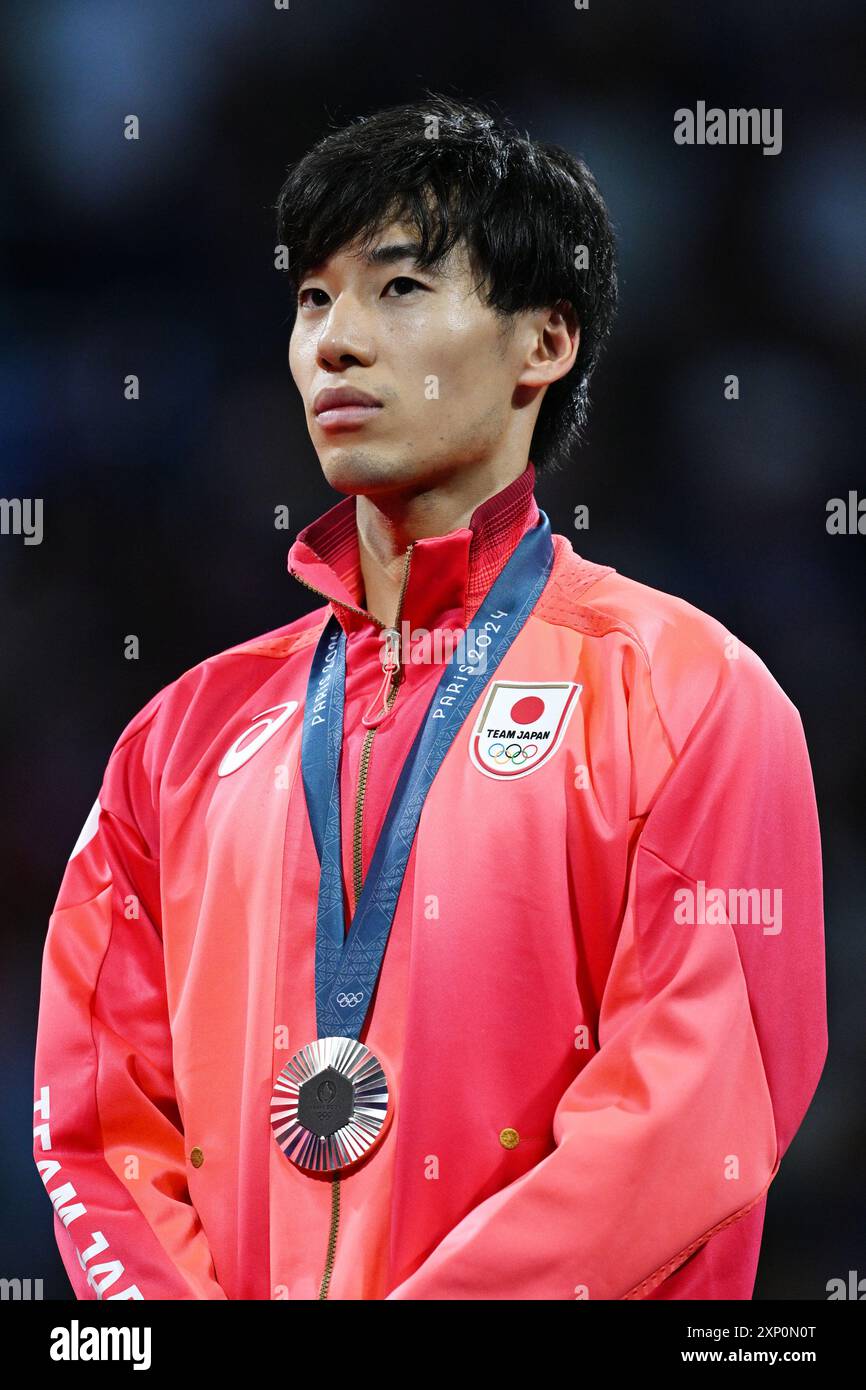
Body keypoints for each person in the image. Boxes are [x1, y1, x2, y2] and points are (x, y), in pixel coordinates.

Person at [32, 92, 826, 1301]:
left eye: (397, 289)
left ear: (543, 342)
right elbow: (98, 1123)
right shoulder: (177, 742)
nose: (334, 342)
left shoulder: (688, 692)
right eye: (312, 299)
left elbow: (697, 1103)